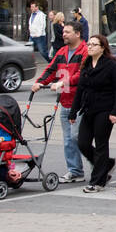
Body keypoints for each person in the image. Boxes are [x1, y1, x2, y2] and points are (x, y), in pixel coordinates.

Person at [70, 35, 116, 193]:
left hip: (105, 109)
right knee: (83, 143)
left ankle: (97, 181)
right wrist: (74, 111)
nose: (90, 47)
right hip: (88, 109)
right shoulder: (86, 64)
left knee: (101, 144)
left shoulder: (111, 65)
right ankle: (105, 164)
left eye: (94, 45)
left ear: (102, 47)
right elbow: (80, 89)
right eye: (89, 44)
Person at [34, 22, 87, 182]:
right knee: (68, 140)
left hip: (80, 102)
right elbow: (51, 69)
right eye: (63, 32)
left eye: (67, 32)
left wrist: (63, 83)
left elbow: (81, 74)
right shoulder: (62, 51)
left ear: (77, 34)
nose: (63, 34)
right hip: (65, 101)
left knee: (78, 137)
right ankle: (75, 171)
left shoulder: (85, 51)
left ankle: (101, 166)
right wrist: (40, 82)